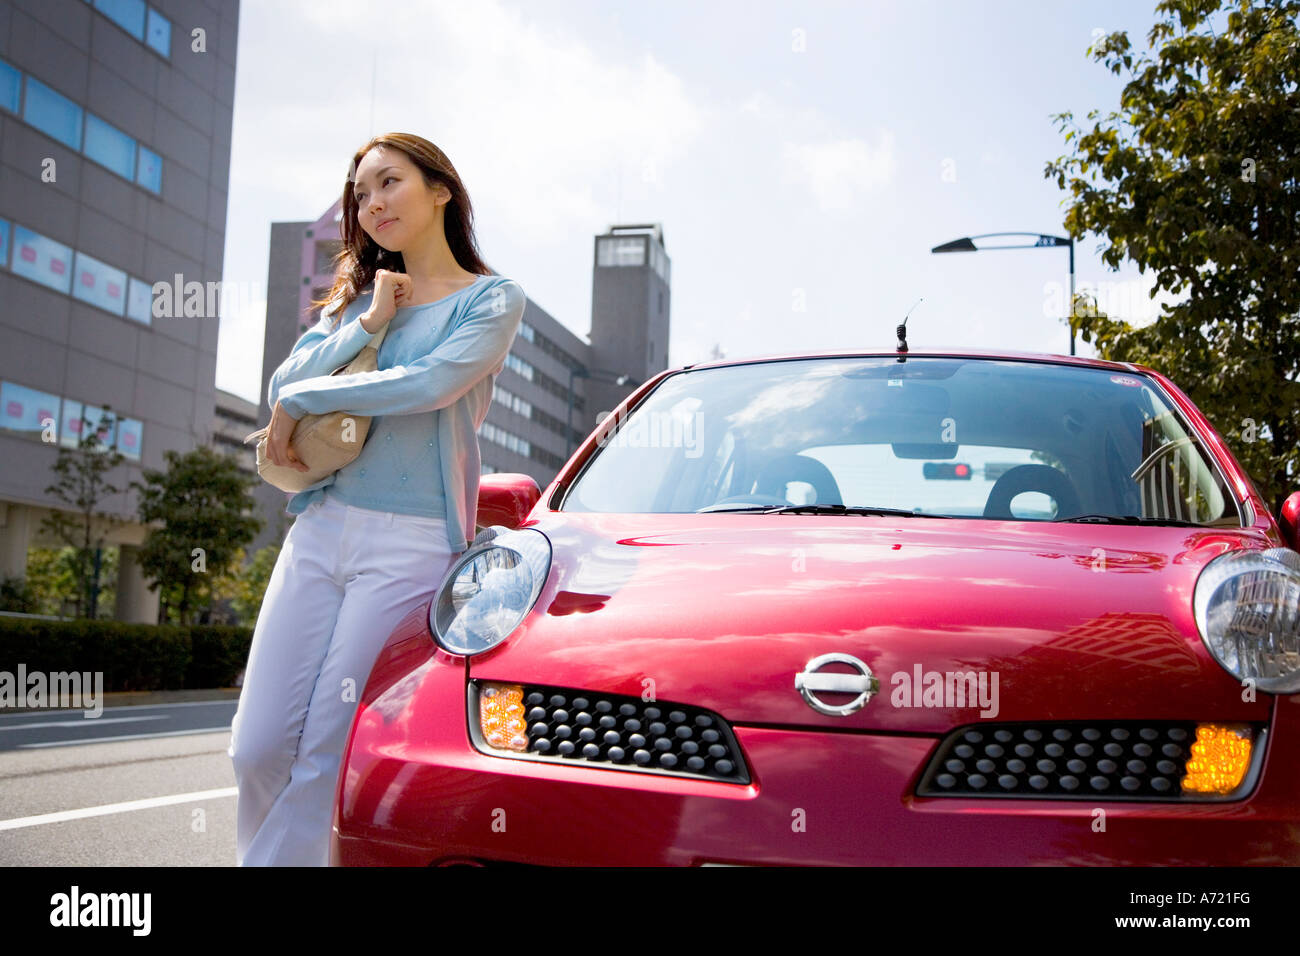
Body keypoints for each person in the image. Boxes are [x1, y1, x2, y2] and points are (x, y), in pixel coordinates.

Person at [227, 132, 526, 866]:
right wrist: (367, 322)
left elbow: (428, 385)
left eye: (389, 184)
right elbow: (279, 388)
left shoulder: (491, 299)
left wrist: (305, 395)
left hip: (412, 542)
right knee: (256, 747)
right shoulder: (359, 302)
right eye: (360, 196)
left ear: (441, 191)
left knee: (328, 751)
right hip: (320, 527)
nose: (372, 205)